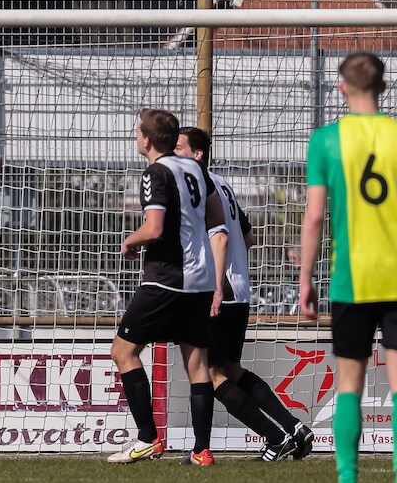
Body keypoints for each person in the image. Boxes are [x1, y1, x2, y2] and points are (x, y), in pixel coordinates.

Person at [176, 127, 311, 461]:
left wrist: (215, 283)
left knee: (211, 374)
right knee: (232, 369)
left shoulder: (203, 185)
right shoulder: (224, 184)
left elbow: (220, 239)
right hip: (240, 290)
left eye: (178, 148)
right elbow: (248, 237)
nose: (172, 153)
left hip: (219, 292)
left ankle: (275, 437)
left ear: (198, 155)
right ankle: (294, 427)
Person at [107, 109, 228, 466]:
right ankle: (201, 450)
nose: (135, 135)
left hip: (166, 279)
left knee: (123, 351)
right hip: (201, 279)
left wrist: (130, 241)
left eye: (137, 131)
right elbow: (216, 217)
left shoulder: (155, 172)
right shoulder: (194, 168)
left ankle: (147, 438)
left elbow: (155, 228)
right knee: (197, 364)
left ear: (146, 139)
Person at [299, 52, 397, 483]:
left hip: (350, 280)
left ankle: (347, 478)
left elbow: (315, 216)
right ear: (383, 87)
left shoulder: (325, 140)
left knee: (349, 388)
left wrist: (304, 277)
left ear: (341, 87)